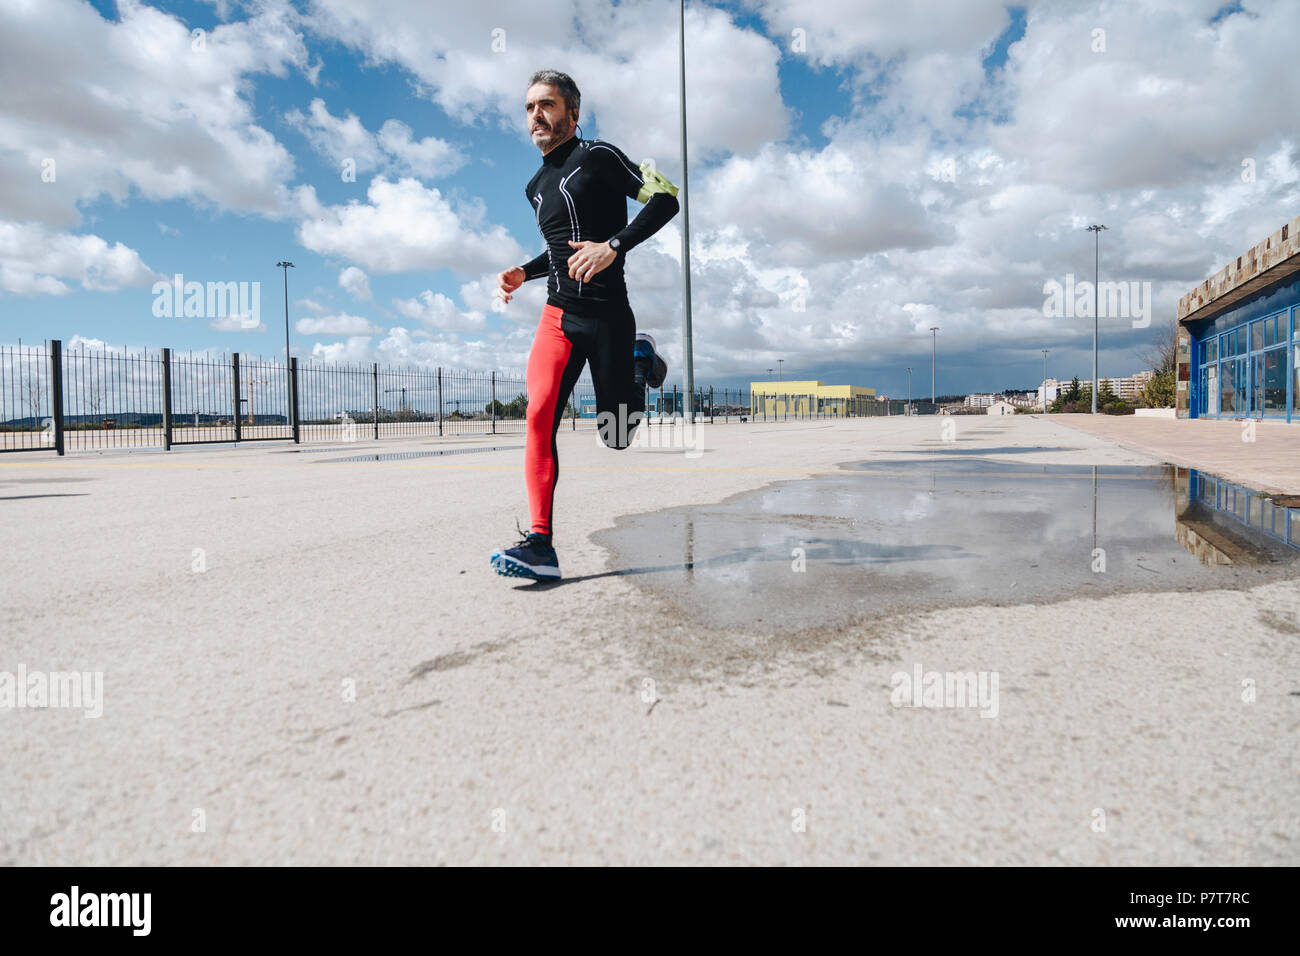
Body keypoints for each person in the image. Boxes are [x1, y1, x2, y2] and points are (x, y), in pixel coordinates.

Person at [490, 69, 678, 581]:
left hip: (610, 317)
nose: (536, 115)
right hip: (558, 317)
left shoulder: (600, 156)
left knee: (617, 436)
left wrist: (612, 245)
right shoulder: (535, 186)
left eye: (546, 105)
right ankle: (541, 545)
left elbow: (667, 199)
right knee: (538, 416)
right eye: (529, 107)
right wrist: (523, 273)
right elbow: (557, 249)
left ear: (573, 113)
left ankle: (639, 360)